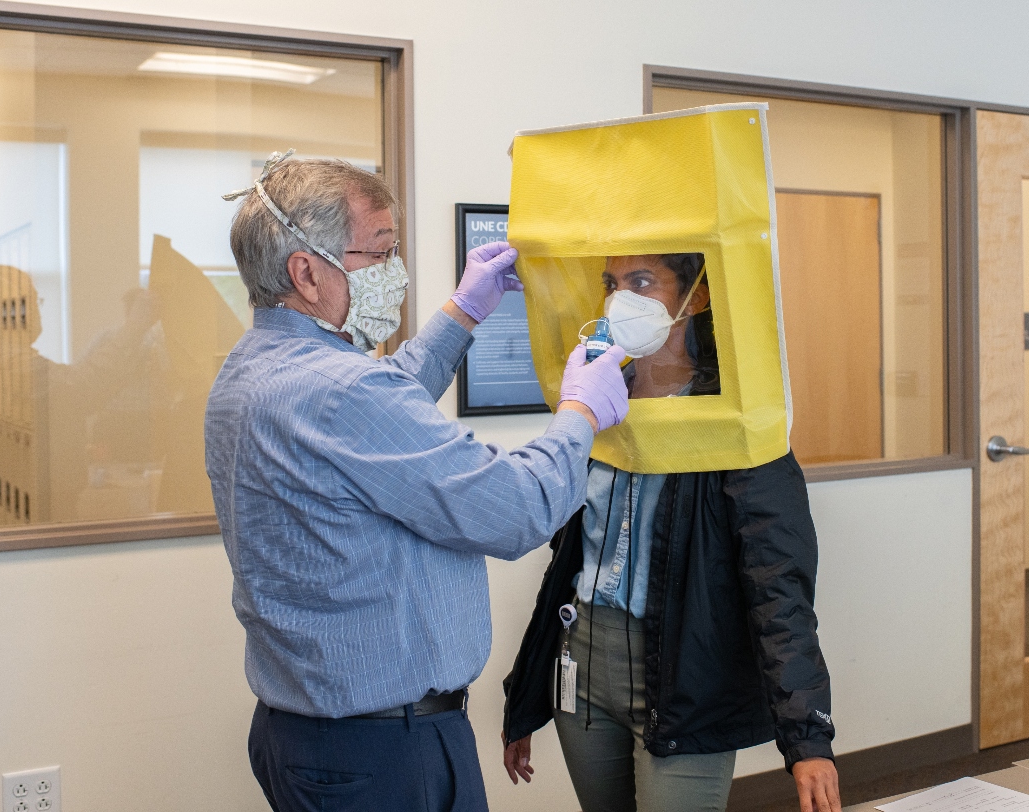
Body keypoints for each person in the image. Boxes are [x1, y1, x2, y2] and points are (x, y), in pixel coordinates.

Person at [205, 151, 629, 812]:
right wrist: (582, 411)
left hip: (306, 741)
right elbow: (516, 509)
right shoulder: (341, 392)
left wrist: (463, 313)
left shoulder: (253, 370)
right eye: (380, 253)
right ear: (306, 271)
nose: (395, 272)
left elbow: (382, 407)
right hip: (386, 756)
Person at [500, 254, 841, 812]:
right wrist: (526, 695)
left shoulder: (736, 423)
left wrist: (807, 737)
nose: (618, 301)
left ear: (696, 296)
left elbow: (778, 586)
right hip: (582, 665)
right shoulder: (595, 402)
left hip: (684, 675)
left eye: (640, 282)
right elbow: (566, 560)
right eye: (612, 283)